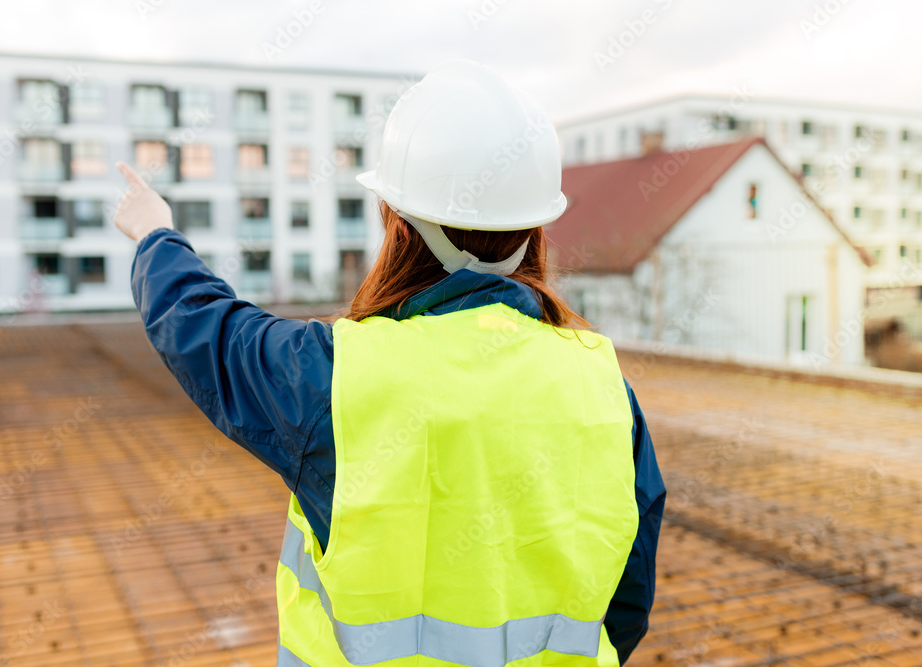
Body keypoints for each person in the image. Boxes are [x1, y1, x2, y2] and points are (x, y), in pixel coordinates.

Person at [114, 60, 665, 667]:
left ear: (397, 224)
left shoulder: (336, 376)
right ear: (533, 226)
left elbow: (208, 332)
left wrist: (155, 235)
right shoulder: (602, 383)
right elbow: (627, 603)